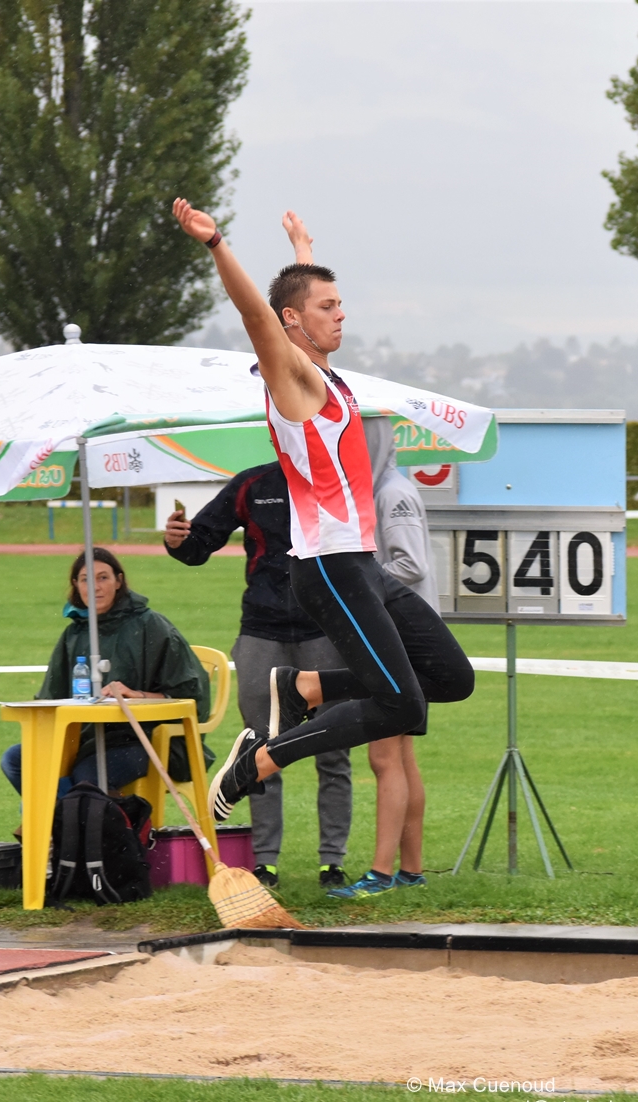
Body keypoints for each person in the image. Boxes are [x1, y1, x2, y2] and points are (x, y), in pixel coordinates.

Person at [171, 198, 474, 822]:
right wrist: (217, 245)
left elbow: (290, 301)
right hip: (329, 568)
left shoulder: (326, 375)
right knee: (401, 707)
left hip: (362, 565)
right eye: (328, 308)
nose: (342, 315)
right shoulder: (292, 381)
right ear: (294, 321)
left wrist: (304, 252)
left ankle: (303, 687)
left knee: (449, 678)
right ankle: (260, 761)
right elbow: (261, 312)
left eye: (341, 305)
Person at [164, 464, 351, 889]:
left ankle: (332, 862)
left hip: (325, 630)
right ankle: (265, 863)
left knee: (334, 749)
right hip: (262, 631)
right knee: (259, 749)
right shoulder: (252, 483)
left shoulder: (338, 479)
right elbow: (198, 546)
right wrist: (177, 540)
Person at [327, 416, 438, 898]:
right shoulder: (378, 490)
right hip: (400, 638)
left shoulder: (392, 494)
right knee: (403, 757)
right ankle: (410, 870)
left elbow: (411, 565)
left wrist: (356, 578)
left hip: (403, 641)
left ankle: (380, 874)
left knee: (383, 756)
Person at [1, 548, 212, 800]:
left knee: (89, 776)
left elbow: (189, 695)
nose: (95, 587)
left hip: (144, 740)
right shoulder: (74, 634)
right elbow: (50, 697)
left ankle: (73, 823)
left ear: (119, 581)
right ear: (75, 585)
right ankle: (75, 821)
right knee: (16, 760)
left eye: (103, 578)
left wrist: (136, 695)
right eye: (85, 579)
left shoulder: (151, 626)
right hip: (83, 739)